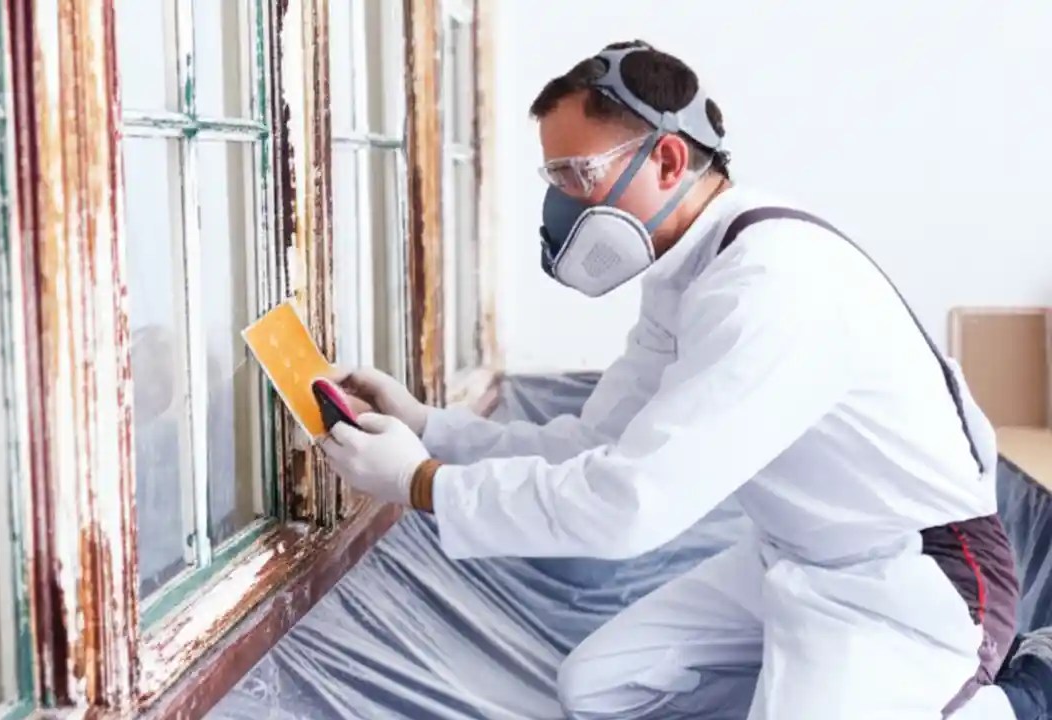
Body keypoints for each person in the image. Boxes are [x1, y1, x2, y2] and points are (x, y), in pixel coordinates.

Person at [320, 40, 1052, 719]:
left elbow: (630, 505)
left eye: (577, 176)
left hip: (914, 575)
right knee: (600, 686)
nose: (562, 205)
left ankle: (1021, 692)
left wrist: (424, 484)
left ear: (668, 161)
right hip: (789, 553)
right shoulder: (689, 273)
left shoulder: (773, 283)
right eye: (554, 179)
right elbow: (595, 442)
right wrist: (430, 428)